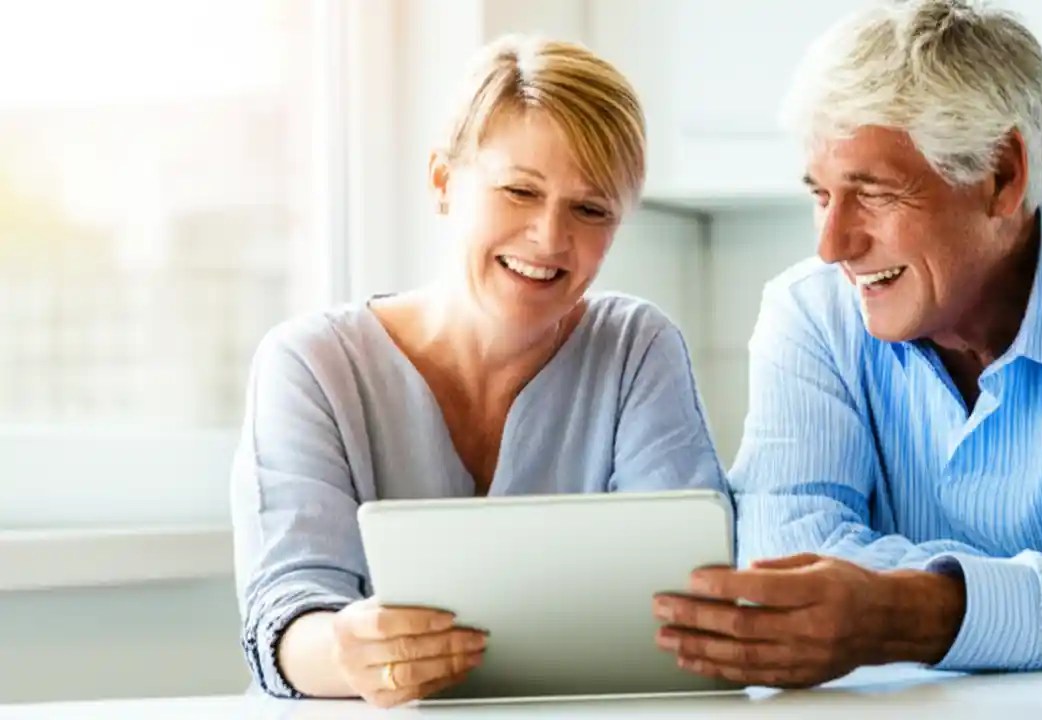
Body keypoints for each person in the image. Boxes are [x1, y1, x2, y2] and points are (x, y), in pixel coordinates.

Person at [653, 0, 1042, 686]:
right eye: (821, 195)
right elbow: (783, 566)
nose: (832, 246)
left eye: (874, 193)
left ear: (1001, 175)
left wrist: (897, 615)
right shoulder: (809, 313)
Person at [231, 35, 724, 707]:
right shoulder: (311, 364)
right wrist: (348, 652)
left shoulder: (635, 349)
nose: (550, 237)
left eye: (590, 209)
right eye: (520, 191)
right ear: (443, 182)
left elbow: (688, 601)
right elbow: (286, 613)